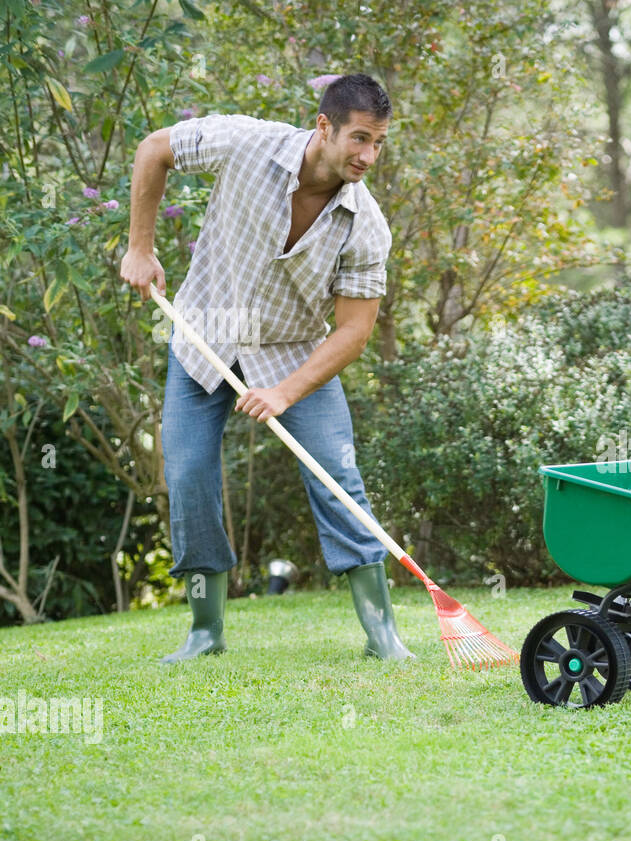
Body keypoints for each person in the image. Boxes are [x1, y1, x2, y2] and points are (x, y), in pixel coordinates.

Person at [119, 74, 413, 663]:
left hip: (293, 351)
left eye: (378, 143)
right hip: (203, 338)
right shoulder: (245, 142)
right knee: (190, 476)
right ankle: (206, 631)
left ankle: (383, 634)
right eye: (359, 138)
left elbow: (355, 331)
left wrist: (285, 391)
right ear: (324, 127)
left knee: (338, 477)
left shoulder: (366, 225)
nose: (368, 156)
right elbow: (154, 149)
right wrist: (140, 247)